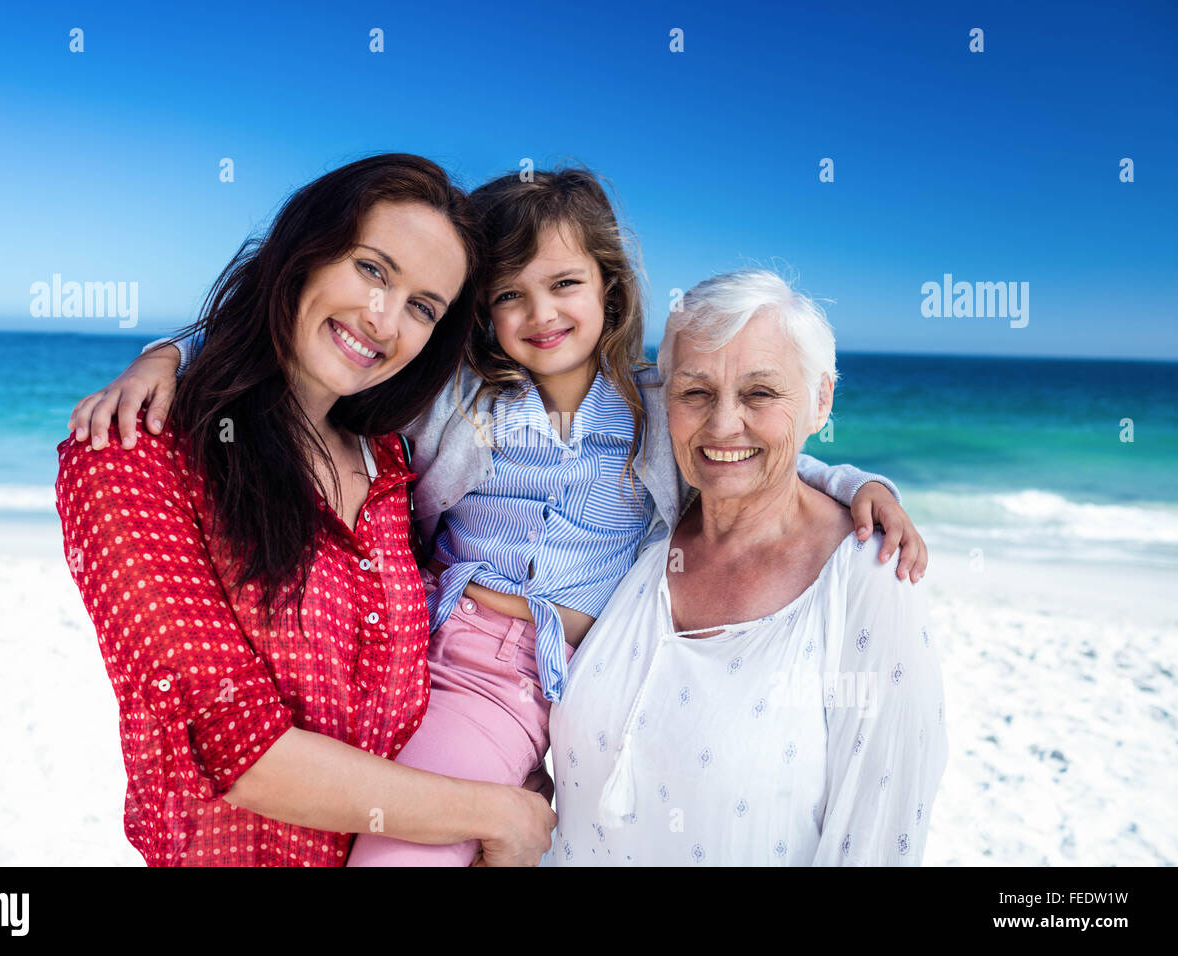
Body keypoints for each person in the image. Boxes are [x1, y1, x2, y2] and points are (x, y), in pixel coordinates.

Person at [69, 168, 928, 866]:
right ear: (480, 317)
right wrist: (173, 352)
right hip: (461, 661)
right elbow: (302, 361)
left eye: (564, 286)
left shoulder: (656, 408)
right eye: (508, 296)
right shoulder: (456, 402)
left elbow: (743, 438)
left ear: (609, 290)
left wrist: (857, 485)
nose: (541, 314)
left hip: (551, 683)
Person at [57, 153, 558, 867]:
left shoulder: (391, 466)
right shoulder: (132, 454)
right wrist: (494, 812)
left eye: (423, 307)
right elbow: (239, 748)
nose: (383, 320)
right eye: (372, 269)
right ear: (304, 253)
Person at [545, 268, 948, 865]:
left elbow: (879, 836)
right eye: (695, 392)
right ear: (663, 400)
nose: (722, 424)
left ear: (821, 400)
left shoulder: (870, 574)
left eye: (761, 393)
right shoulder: (642, 527)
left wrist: (863, 485)